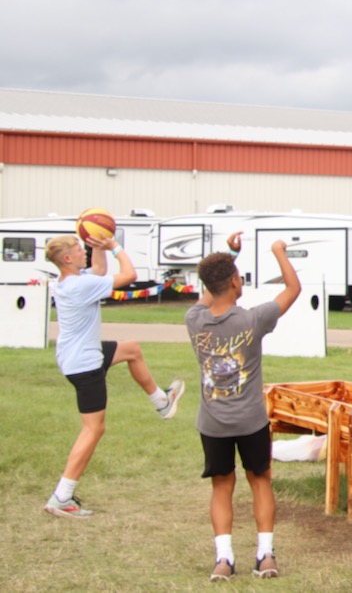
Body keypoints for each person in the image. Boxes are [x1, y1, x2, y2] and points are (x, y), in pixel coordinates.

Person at [43, 234, 185, 519]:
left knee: (131, 349)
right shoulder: (80, 285)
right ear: (68, 259)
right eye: (79, 249)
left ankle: (162, 401)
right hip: (84, 364)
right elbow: (128, 275)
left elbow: (99, 271)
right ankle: (62, 496)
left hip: (79, 355)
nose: (83, 252)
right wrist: (115, 247)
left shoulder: (72, 280)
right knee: (93, 429)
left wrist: (96, 244)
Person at [187, 238, 300, 581]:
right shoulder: (254, 319)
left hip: (213, 423)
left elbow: (211, 291)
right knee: (260, 481)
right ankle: (265, 555)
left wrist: (229, 259)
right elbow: (293, 288)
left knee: (222, 487)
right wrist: (278, 251)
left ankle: (224, 559)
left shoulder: (194, 320)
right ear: (236, 281)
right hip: (251, 421)